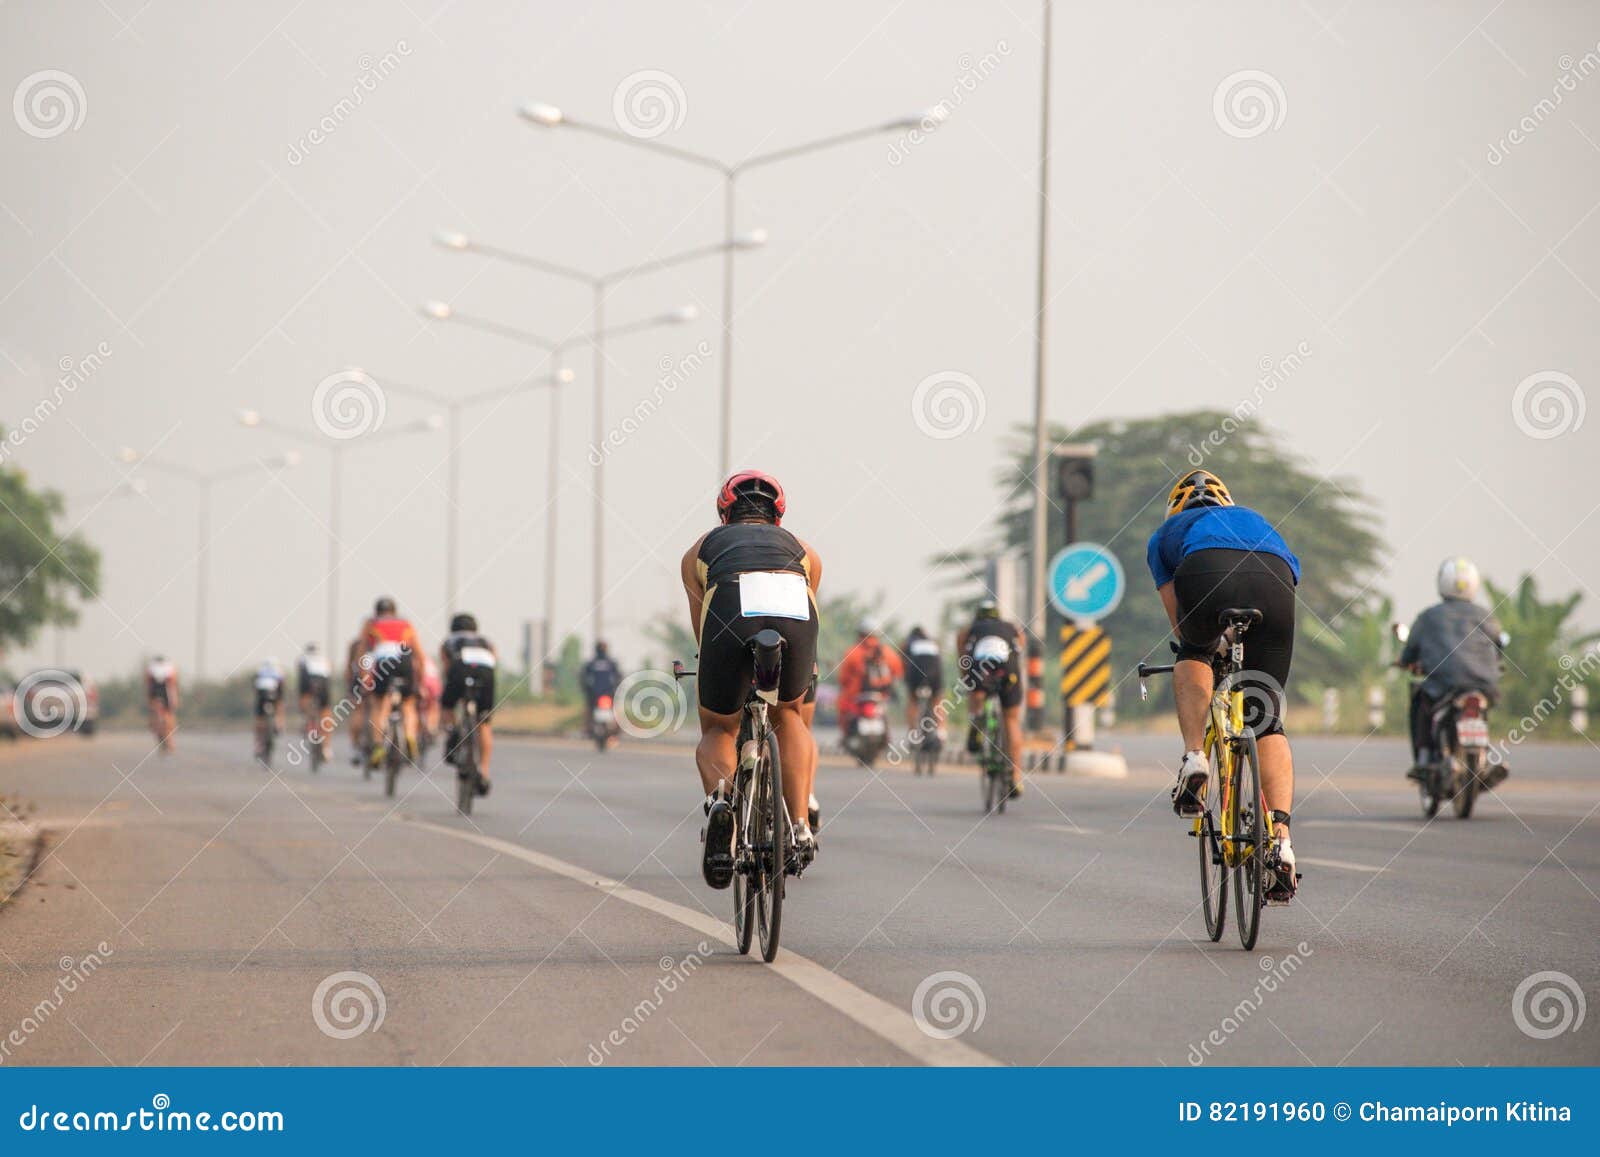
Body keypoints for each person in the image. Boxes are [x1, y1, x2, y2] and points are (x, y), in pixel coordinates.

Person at [1146, 468, 1300, 903]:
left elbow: (1179, 621)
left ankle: (1196, 758)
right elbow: (1287, 579)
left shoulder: (1165, 535)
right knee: (1266, 717)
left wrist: (1207, 650)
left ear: (1176, 508)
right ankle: (1282, 842)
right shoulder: (1257, 520)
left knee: (1191, 651)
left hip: (1204, 569)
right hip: (1275, 578)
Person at [680, 470, 822, 887]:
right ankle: (799, 826)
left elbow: (702, 633)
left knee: (719, 727)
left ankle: (722, 801)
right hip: (792, 613)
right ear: (778, 517)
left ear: (724, 513)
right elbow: (811, 608)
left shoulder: (698, 551)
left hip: (728, 610)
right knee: (790, 716)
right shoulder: (805, 550)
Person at [1397, 557, 1508, 787]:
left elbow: (1411, 650)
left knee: (1419, 700)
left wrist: (1405, 662)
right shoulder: (1486, 616)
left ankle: (1425, 759)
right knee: (1481, 713)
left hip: (1444, 684)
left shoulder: (1428, 617)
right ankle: (1483, 760)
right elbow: (1498, 647)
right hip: (1484, 685)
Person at [956, 599, 1025, 799]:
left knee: (976, 693)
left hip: (981, 668)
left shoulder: (971, 628)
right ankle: (1015, 777)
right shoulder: (1011, 627)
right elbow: (1020, 645)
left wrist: (965, 676)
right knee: (1011, 720)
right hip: (1009, 669)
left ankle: (977, 722)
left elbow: (961, 649)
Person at [358, 596, 425, 767]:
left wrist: (365, 680)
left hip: (383, 661)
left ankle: (378, 744)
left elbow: (362, 653)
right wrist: (420, 683)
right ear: (394, 611)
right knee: (408, 704)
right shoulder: (406, 624)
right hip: (405, 662)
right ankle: (410, 735)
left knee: (378, 705)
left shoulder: (371, 624)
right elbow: (420, 656)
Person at [440, 612, 498, 796]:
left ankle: (452, 734)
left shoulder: (449, 641)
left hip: (459, 668)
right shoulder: (486, 641)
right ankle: (484, 771)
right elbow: (494, 660)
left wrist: (451, 690)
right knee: (484, 722)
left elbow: (447, 668)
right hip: (486, 671)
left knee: (447, 705)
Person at [837, 618, 902, 745]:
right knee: (884, 712)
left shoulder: (852, 652)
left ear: (860, 634)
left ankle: (845, 736)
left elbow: (843, 679)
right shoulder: (889, 653)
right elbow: (898, 673)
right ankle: (886, 738)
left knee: (842, 707)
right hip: (881, 696)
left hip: (854, 696)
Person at [901, 625, 945, 734]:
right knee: (937, 700)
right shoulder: (933, 643)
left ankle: (912, 731)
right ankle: (941, 731)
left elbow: (902, 663)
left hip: (916, 674)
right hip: (934, 673)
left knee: (913, 701)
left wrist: (906, 680)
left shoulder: (907, 643)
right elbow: (939, 662)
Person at [296, 642, 332, 755]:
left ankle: (306, 719)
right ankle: (326, 748)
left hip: (307, 683)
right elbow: (329, 672)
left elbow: (299, 674)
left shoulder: (302, 659)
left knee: (304, 699)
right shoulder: (324, 659)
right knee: (326, 713)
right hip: (323, 683)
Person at [581, 641, 622, 737]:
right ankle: (618, 726)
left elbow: (584, 677)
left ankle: (587, 726)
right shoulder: (611, 663)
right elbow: (618, 677)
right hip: (609, 692)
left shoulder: (591, 663)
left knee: (589, 709)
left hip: (594, 694)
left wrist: (586, 688)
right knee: (615, 709)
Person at [253, 658, 286, 761]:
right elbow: (282, 687)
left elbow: (254, 687)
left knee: (259, 718)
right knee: (280, 704)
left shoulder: (260, 671)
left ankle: (258, 744)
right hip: (275, 694)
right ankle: (279, 724)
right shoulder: (279, 671)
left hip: (262, 695)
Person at [145, 654, 179, 751]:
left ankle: (166, 740)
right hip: (164, 695)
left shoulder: (150, 669)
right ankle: (169, 742)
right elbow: (173, 685)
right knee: (167, 718)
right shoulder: (170, 668)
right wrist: (175, 700)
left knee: (158, 719)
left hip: (158, 695)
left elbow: (148, 686)